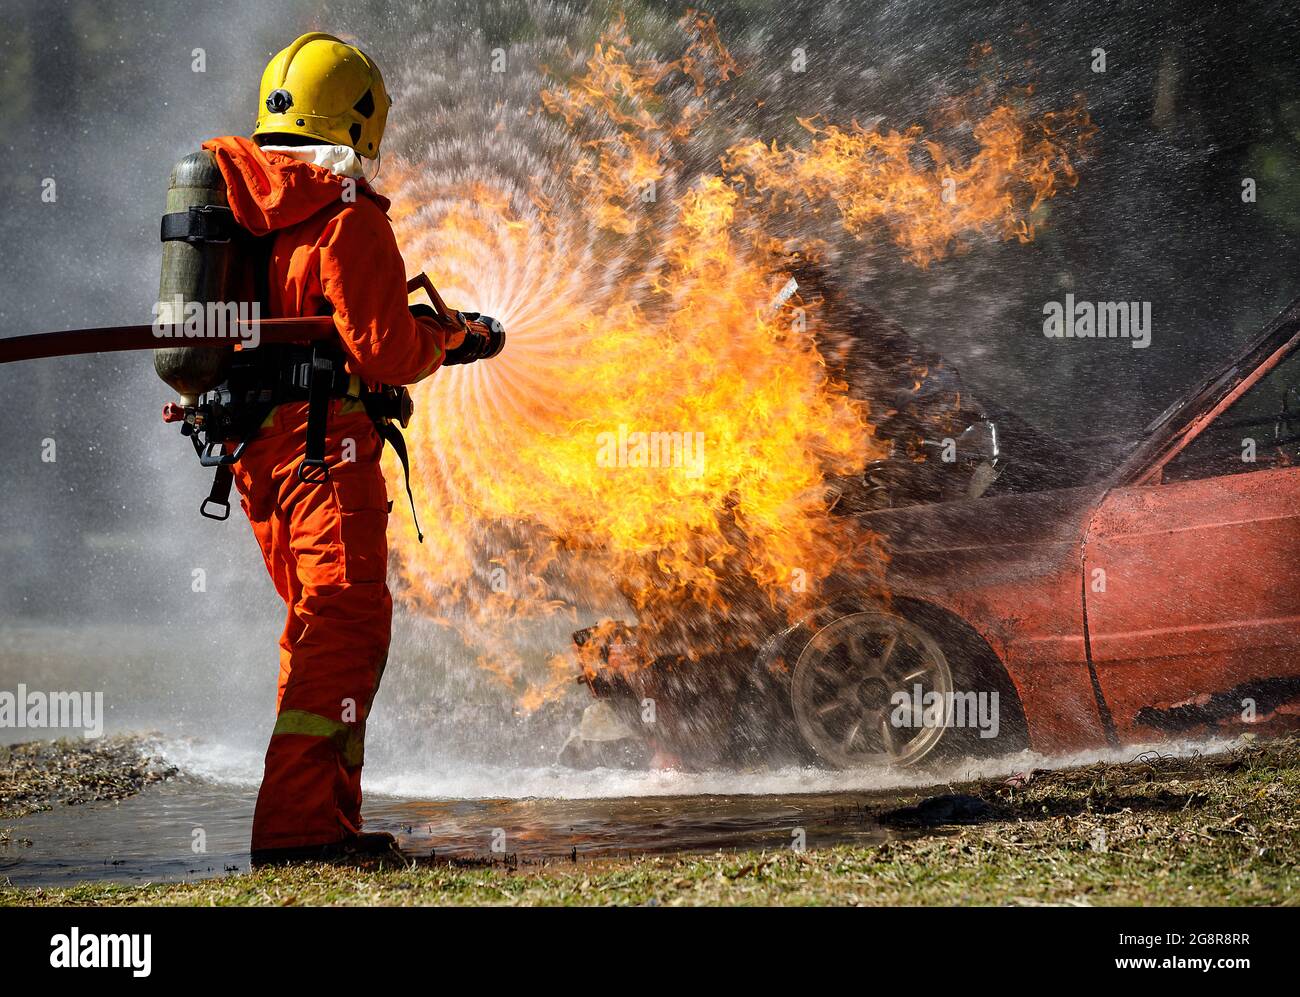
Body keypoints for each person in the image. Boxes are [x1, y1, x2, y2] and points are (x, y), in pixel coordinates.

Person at [202, 32, 481, 864]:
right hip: (328, 454)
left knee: (316, 624)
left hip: (259, 451)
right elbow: (385, 351)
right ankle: (300, 833)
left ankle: (330, 818)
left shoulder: (251, 205)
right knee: (344, 621)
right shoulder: (344, 214)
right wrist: (448, 336)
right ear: (360, 117)